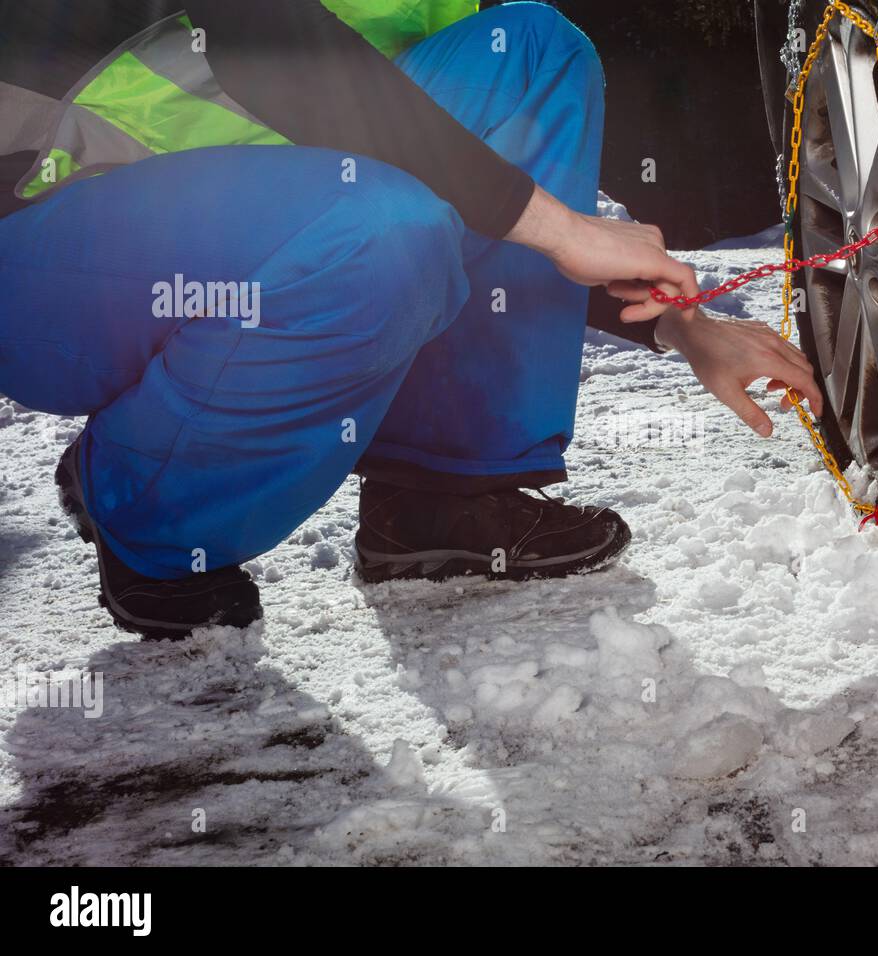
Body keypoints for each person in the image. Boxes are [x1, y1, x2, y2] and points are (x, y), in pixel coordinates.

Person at [0, 0, 823, 639]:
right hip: (45, 240)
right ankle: (148, 503)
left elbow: (432, 149)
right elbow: (269, 48)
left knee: (533, 50)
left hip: (252, 200)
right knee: (377, 227)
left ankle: (441, 492)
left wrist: (673, 320)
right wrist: (565, 232)